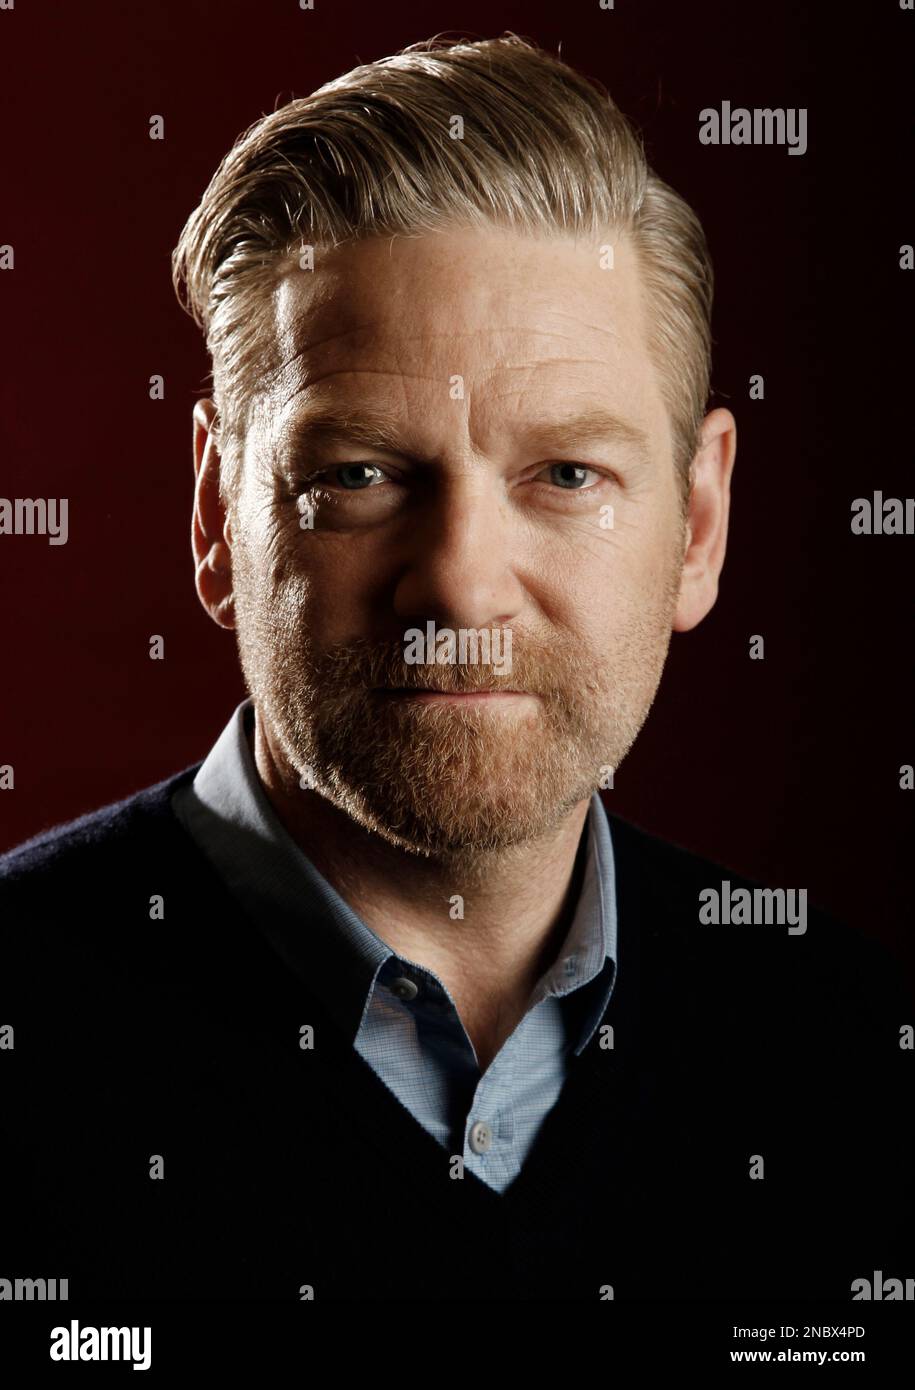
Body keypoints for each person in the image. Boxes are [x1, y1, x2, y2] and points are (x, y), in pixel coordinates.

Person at [1, 34, 911, 1303]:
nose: (464, 585)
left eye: (567, 474)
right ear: (217, 516)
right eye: (363, 473)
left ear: (699, 525)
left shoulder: (870, 1069)